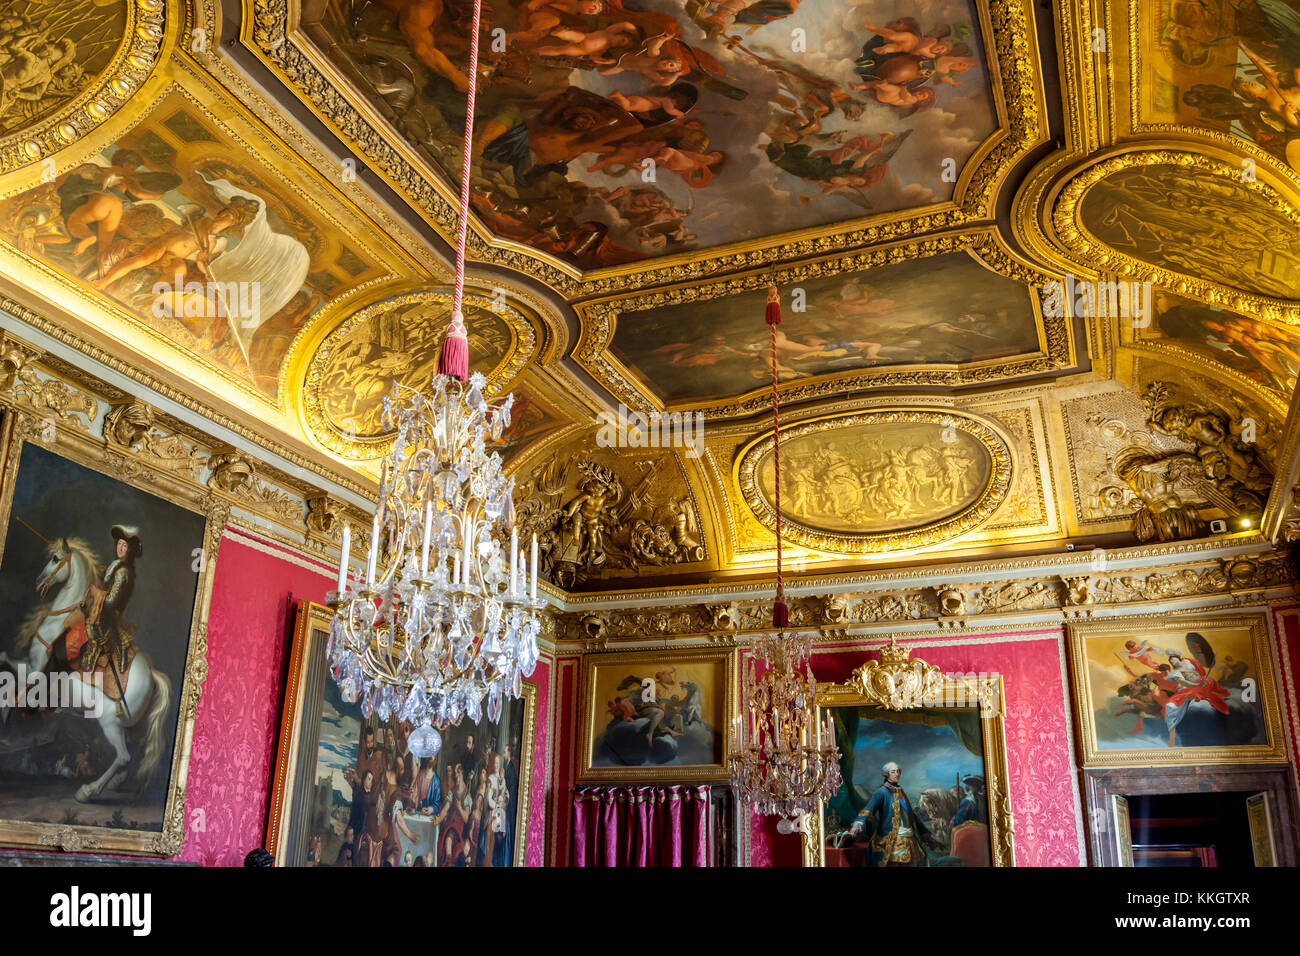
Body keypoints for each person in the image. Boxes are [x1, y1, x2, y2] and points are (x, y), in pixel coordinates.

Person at [848, 761, 942, 866]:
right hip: (891, 839)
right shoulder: (882, 792)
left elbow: (911, 815)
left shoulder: (901, 792)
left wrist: (925, 834)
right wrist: (857, 825)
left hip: (909, 838)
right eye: (893, 772)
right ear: (887, 774)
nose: (897, 774)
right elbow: (869, 809)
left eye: (898, 771)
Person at [79, 524, 141, 676]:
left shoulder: (123, 572)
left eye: (124, 545)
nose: (120, 548)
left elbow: (111, 601)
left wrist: (96, 592)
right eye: (119, 543)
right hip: (102, 611)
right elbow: (104, 576)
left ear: (129, 549)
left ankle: (89, 663)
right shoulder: (115, 566)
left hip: (109, 615)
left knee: (92, 632)